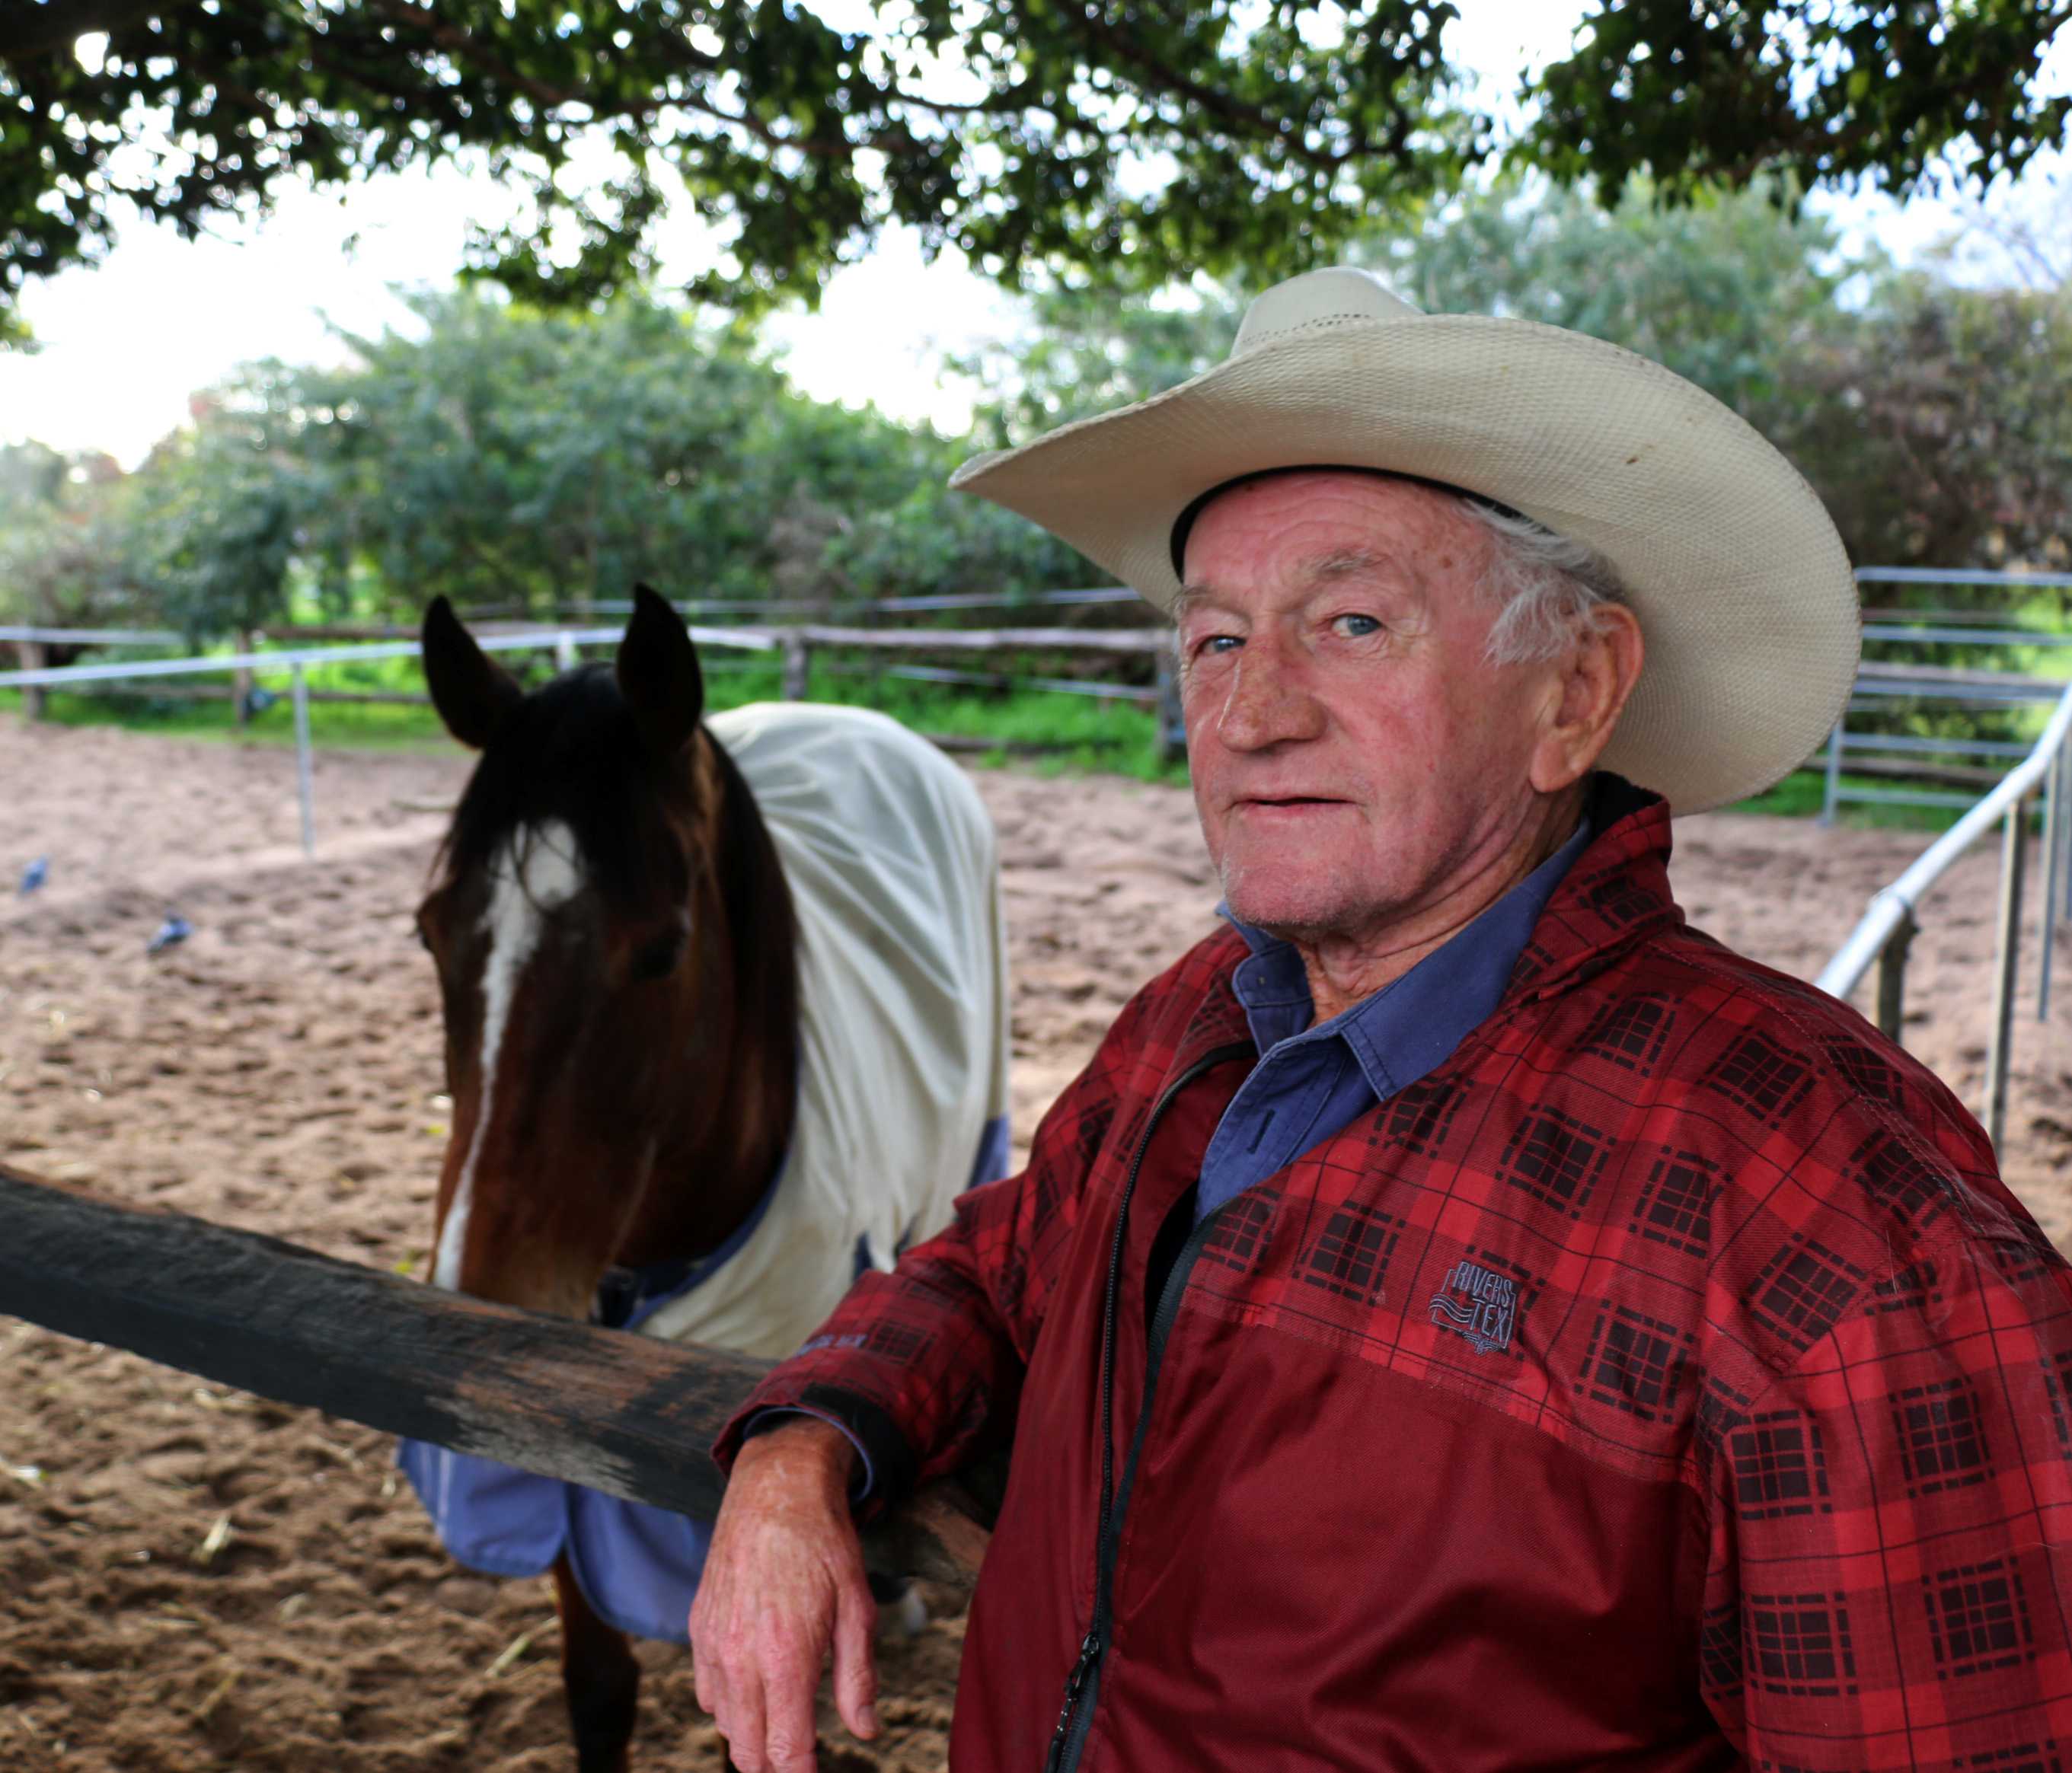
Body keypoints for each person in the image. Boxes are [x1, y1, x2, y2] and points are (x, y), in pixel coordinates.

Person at [688, 267, 2072, 1772]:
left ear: (1572, 693)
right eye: (1214, 640)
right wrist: (801, 1440)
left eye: (1348, 622)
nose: (1249, 713)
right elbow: (1015, 1261)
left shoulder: (1826, 1208)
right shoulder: (1199, 1022)